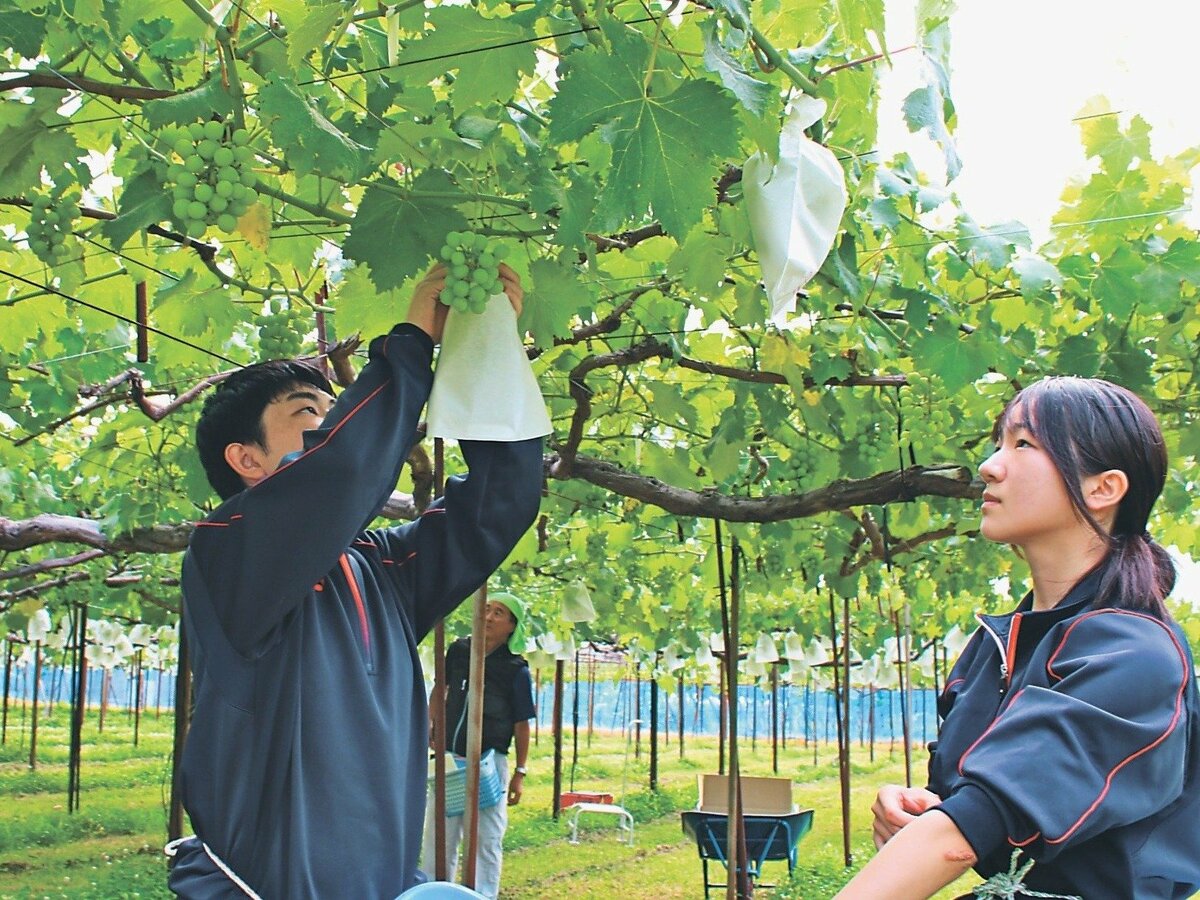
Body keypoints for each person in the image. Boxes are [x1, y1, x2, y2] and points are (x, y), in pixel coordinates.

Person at [167, 264, 544, 899]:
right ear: (246, 459)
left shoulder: (381, 569)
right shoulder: (225, 551)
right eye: (307, 412)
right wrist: (414, 339)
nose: (331, 422)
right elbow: (339, 474)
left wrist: (487, 350)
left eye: (334, 411)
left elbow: (498, 505)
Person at [836, 377, 1200, 900]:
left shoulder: (1134, 654)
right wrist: (923, 807)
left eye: (1023, 444)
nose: (989, 465)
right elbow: (965, 815)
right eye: (999, 441)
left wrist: (951, 829)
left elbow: (975, 826)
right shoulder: (996, 644)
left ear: (1103, 488)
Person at [422, 593, 535, 899]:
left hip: (490, 762)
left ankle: (483, 895)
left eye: (499, 613)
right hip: (451, 757)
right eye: (486, 609)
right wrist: (431, 724)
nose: (488, 616)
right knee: (439, 834)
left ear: (512, 626)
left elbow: (522, 724)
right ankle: (435, 890)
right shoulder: (460, 650)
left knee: (487, 837)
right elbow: (440, 688)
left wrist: (520, 772)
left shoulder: (515, 669)